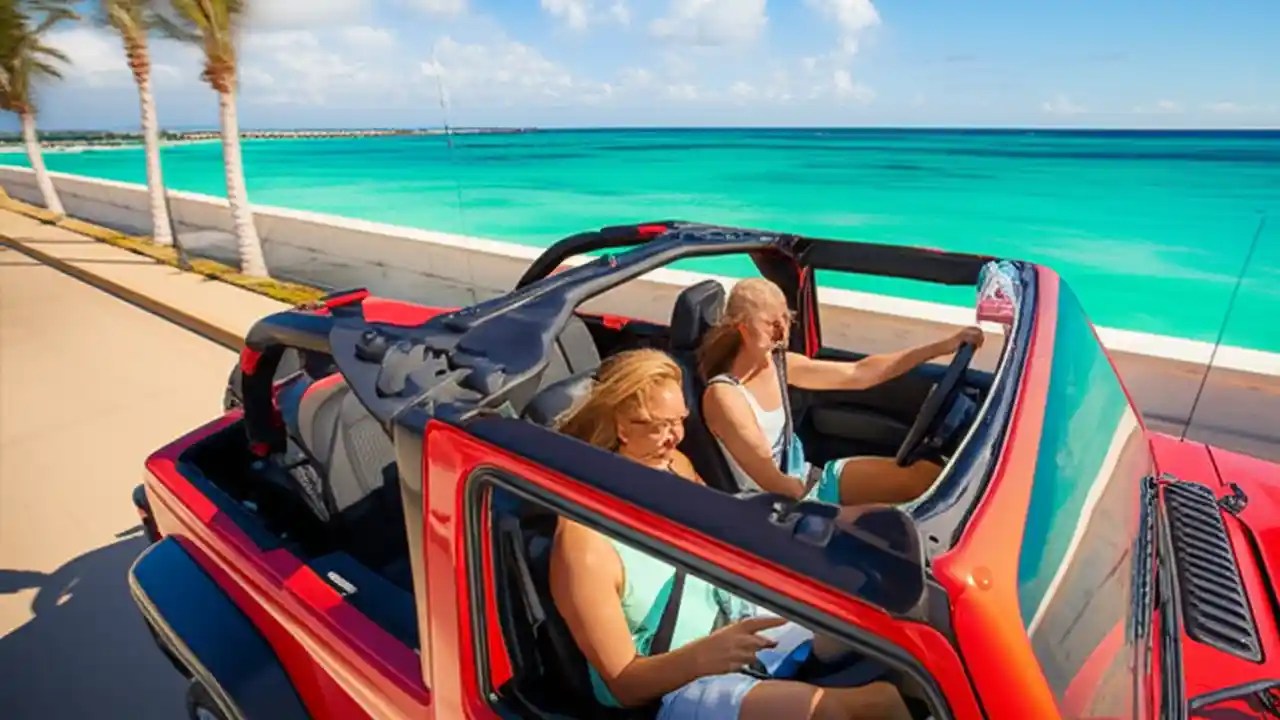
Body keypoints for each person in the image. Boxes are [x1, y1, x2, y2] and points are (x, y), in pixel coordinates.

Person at [550, 349, 912, 720]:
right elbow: (623, 685)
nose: (676, 437)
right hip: (679, 683)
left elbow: (724, 535)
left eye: (680, 421)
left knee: (894, 641)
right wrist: (704, 656)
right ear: (621, 426)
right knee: (845, 708)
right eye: (659, 426)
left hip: (739, 616)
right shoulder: (583, 545)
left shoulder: (674, 467)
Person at [698, 278, 984, 505]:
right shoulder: (724, 396)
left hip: (804, 479)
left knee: (928, 477)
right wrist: (839, 519)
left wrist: (943, 346)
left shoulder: (781, 366)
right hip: (776, 506)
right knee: (896, 517)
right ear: (742, 328)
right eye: (772, 323)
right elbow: (773, 480)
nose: (783, 332)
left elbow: (860, 373)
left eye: (786, 319)